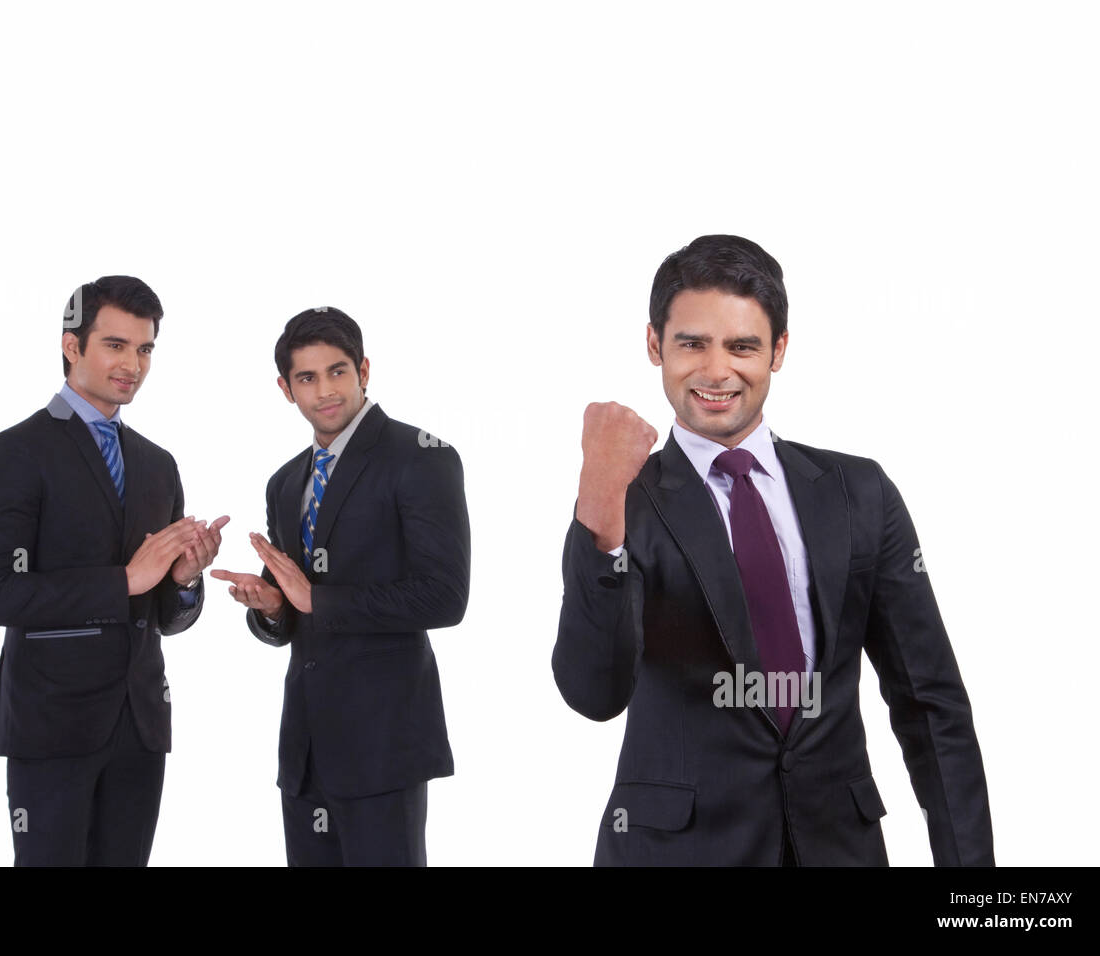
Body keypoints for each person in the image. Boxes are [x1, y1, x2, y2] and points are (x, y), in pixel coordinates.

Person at [552, 235, 994, 866]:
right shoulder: (624, 499)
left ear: (778, 350)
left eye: (742, 346)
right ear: (654, 344)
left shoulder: (858, 493)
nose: (715, 370)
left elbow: (930, 703)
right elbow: (594, 693)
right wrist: (600, 502)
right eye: (691, 343)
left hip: (839, 848)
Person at [0, 276, 226, 866]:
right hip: (51, 722)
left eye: (144, 349)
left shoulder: (158, 465)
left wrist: (184, 580)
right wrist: (123, 581)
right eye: (115, 345)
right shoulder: (16, 451)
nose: (132, 364)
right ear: (71, 347)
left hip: (139, 725)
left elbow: (162, 616)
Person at [211, 306, 470, 866]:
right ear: (286, 389)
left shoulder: (422, 458)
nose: (325, 390)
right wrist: (273, 609)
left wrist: (315, 599)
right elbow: (289, 619)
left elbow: (446, 596)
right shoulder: (285, 483)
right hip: (305, 747)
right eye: (307, 378)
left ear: (364, 370)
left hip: (384, 743)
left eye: (337, 371)